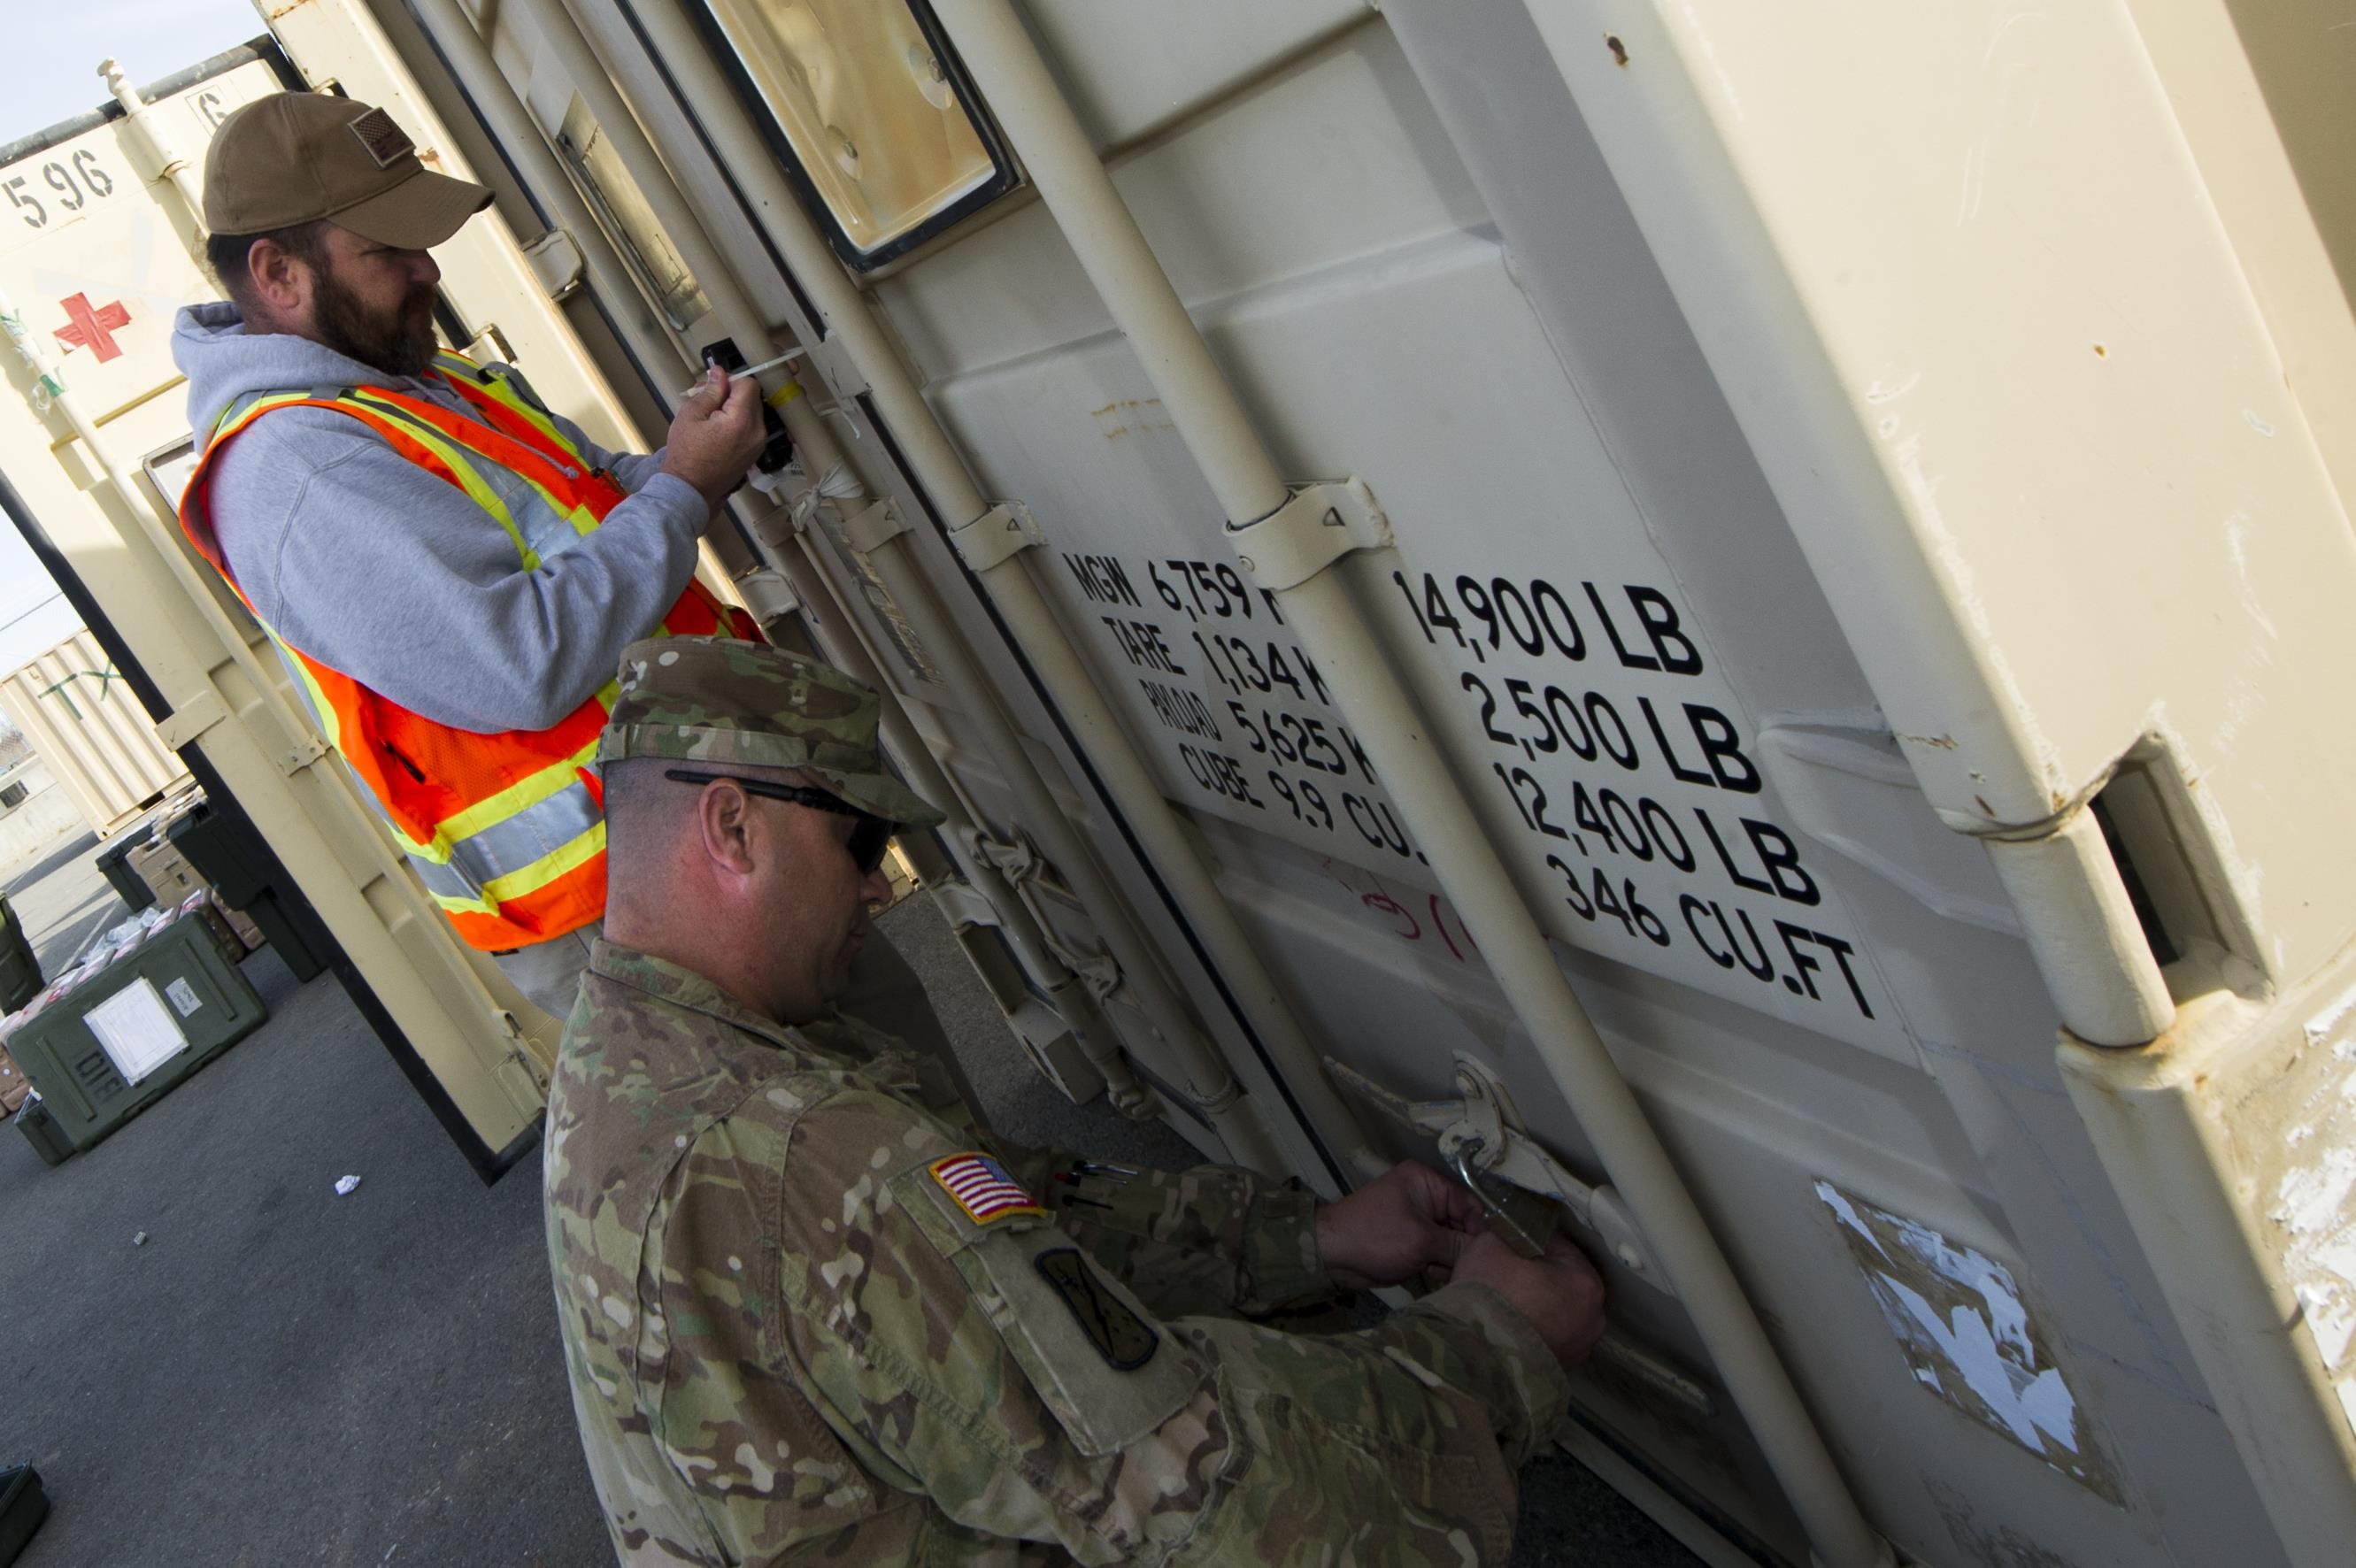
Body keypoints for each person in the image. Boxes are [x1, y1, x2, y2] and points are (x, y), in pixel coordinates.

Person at [546, 635, 1608, 1566]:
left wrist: (1306, 1240)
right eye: (862, 842)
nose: (879, 883)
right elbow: (1221, 1502)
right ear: (732, 828)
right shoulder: (810, 1158)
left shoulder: (629, 1055)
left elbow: (1010, 1224)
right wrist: (1491, 1344)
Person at [167, 92, 931, 1041]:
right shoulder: (296, 467)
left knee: (902, 1087)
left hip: (694, 840)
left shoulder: (411, 385)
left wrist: (689, 458)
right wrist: (684, 488)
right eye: (387, 251)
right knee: (832, 1163)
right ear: (278, 273)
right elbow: (515, 663)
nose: (426, 268)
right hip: (623, 910)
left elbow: (598, 496)